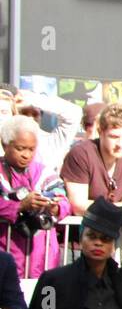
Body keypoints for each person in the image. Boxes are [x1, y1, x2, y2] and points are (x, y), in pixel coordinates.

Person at [0, 115, 72, 279]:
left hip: (44, 258)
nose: (26, 155)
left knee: (47, 303)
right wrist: (19, 206)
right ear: (5, 145)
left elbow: (64, 200)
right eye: (20, 148)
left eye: (31, 149)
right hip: (7, 255)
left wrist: (55, 207)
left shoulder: (44, 172)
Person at [60, 103, 122, 215]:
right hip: (80, 229)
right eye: (114, 137)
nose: (120, 144)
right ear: (100, 133)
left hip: (117, 229)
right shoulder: (81, 154)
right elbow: (78, 206)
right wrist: (119, 208)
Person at [11, 89, 82, 171]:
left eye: (35, 115)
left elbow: (74, 112)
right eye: (24, 114)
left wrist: (29, 98)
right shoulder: (5, 140)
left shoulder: (52, 142)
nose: (30, 119)